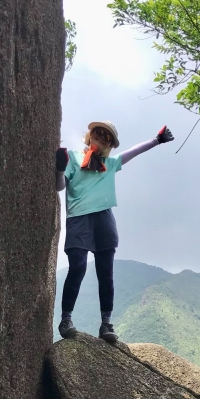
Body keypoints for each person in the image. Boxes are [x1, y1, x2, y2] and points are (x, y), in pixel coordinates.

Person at [55, 120, 174, 342]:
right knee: (78, 267)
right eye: (98, 132)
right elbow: (59, 186)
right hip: (79, 219)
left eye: (107, 136)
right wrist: (60, 168)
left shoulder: (109, 164)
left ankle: (106, 323)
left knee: (106, 274)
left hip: (104, 219)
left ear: (110, 144)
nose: (101, 136)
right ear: (90, 134)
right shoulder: (73, 157)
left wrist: (156, 140)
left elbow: (132, 153)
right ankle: (66, 319)